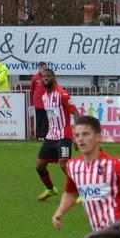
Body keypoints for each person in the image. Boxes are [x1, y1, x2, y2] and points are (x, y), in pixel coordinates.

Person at [33, 67, 77, 202]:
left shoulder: (62, 94)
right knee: (39, 166)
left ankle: (80, 191)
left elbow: (76, 113)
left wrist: (78, 135)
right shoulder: (44, 96)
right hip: (51, 136)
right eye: (44, 77)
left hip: (64, 135)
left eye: (48, 76)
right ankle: (51, 189)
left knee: (64, 165)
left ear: (54, 78)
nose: (46, 78)